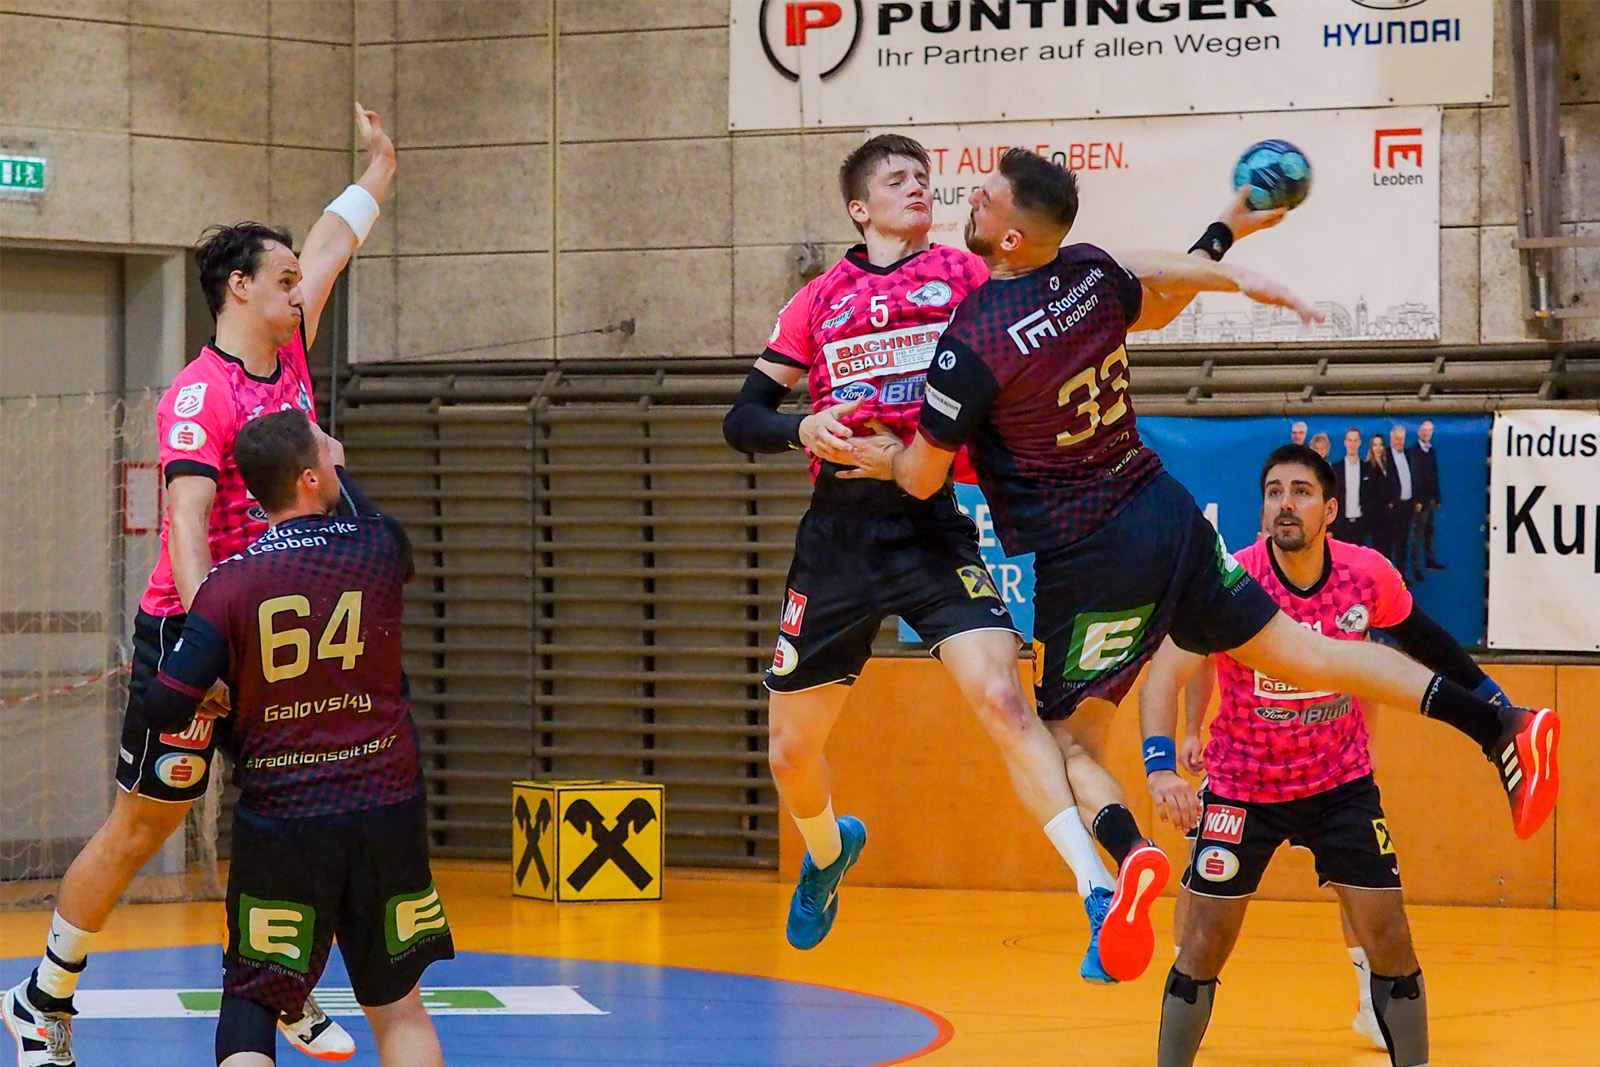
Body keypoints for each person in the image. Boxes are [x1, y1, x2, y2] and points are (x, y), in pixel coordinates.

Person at [844, 147, 1557, 905]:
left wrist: (884, 455)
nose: (970, 205)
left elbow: (924, 476)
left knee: (1064, 740)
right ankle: (1499, 723)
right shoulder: (1086, 273)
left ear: (1014, 237)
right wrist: (1227, 236)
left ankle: (1132, 856)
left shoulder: (974, 340)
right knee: (1309, 652)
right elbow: (1162, 299)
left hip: (1089, 551)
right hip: (1165, 511)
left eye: (983, 200)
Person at [722, 134, 1286, 984]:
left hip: (932, 525)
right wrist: (801, 426)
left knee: (1004, 704)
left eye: (924, 175)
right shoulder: (819, 301)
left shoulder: (972, 275)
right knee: (791, 755)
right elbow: (744, 416)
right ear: (859, 209)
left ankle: (1097, 896)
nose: (919, 185)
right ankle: (828, 849)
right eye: (896, 179)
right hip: (838, 537)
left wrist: (1221, 241)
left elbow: (1114, 279)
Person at [3, 103, 395, 1067]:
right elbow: (182, 527)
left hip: (280, 640)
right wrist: (201, 652)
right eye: (286, 278)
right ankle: (42, 995)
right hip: (195, 633)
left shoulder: (293, 348)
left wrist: (382, 166)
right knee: (143, 824)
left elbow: (335, 239)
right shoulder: (198, 396)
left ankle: (280, 984)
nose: (303, 286)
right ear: (238, 289)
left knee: (289, 822)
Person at [1153, 446, 1516, 1057]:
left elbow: (1423, 638)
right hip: (1244, 787)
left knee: (1389, 936)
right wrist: (1162, 765)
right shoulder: (1232, 583)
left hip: (1340, 784)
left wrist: (1495, 702)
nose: (1284, 503)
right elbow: (1169, 674)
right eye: (1273, 492)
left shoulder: (1365, 574)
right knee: (1203, 943)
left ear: (1330, 510)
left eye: (1299, 491)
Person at [135, 410, 450, 1067]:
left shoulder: (229, 585)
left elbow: (163, 704)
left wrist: (219, 695)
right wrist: (345, 470)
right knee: (398, 1008)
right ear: (313, 475)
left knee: (251, 1002)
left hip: (285, 821)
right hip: (385, 811)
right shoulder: (376, 547)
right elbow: (388, 535)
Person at [1406, 420, 1445, 575]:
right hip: (1420, 502)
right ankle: (1416, 568)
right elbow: (1414, 478)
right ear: (1419, 432)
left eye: (1429, 431)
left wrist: (1438, 498)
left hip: (1431, 501)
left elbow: (1434, 476)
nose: (1427, 433)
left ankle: (1430, 561)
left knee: (1429, 532)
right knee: (1418, 534)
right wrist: (1417, 500)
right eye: (1424, 430)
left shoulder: (1432, 452)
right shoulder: (1413, 452)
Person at [1386, 425, 1421, 580]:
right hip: (1393, 507)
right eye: (1397, 439)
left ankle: (1401, 577)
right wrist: (1389, 501)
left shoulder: (1409, 455)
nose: (1400, 442)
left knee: (1403, 543)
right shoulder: (1385, 457)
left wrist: (1415, 500)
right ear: (1391, 439)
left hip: (1407, 506)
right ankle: (1388, 578)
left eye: (1402, 439)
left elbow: (1413, 478)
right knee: (1390, 543)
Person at [1330, 428, 1373, 547]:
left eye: (1355, 440)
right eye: (1350, 440)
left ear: (1360, 442)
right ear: (1345, 442)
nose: (1352, 444)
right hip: (1341, 525)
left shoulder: (1367, 468)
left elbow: (1371, 497)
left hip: (1361, 525)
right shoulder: (1336, 469)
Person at [1367, 433, 1397, 560]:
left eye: (1380, 445)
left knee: (1389, 549)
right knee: (1378, 550)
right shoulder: (1367, 467)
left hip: (1390, 517)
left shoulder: (1389, 465)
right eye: (1375, 445)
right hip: (1376, 517)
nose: (1378, 448)